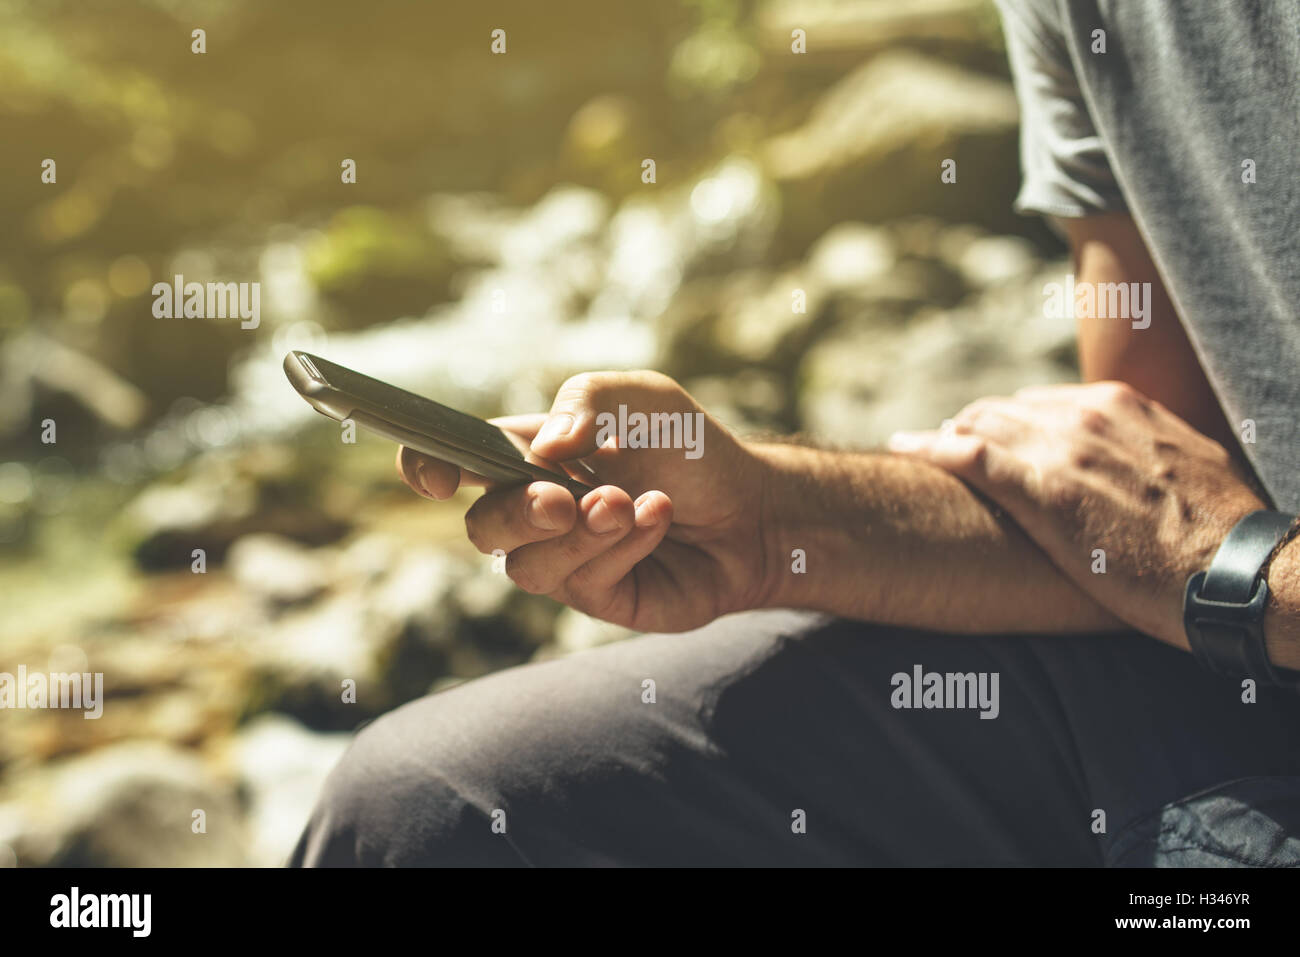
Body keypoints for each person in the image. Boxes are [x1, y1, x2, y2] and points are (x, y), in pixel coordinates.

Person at [290, 0, 1300, 866]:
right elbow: (1145, 511)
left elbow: (1196, 546)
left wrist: (1241, 569)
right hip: (1224, 669)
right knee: (422, 812)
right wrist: (767, 521)